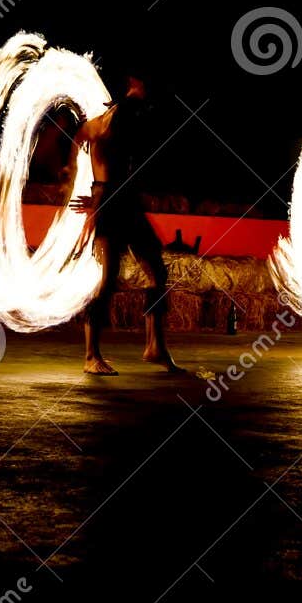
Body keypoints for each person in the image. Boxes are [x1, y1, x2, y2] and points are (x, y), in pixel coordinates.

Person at [66, 69, 182, 375]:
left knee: (156, 270)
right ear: (135, 85)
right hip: (113, 202)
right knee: (109, 278)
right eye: (145, 88)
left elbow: (81, 144)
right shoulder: (121, 116)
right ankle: (91, 356)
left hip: (121, 200)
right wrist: (96, 200)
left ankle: (155, 347)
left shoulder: (108, 121)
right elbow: (101, 158)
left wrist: (88, 191)